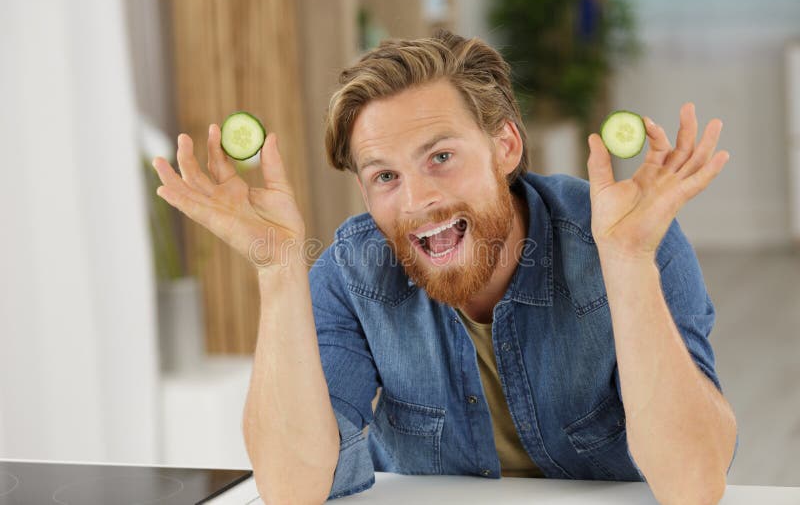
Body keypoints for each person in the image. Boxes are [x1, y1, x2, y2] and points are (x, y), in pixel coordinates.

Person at [152, 30, 738, 504]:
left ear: (504, 146)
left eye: (441, 157)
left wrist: (629, 263)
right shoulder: (352, 272)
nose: (416, 201)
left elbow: (694, 485)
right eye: (385, 175)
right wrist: (277, 269)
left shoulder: (627, 234)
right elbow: (290, 489)